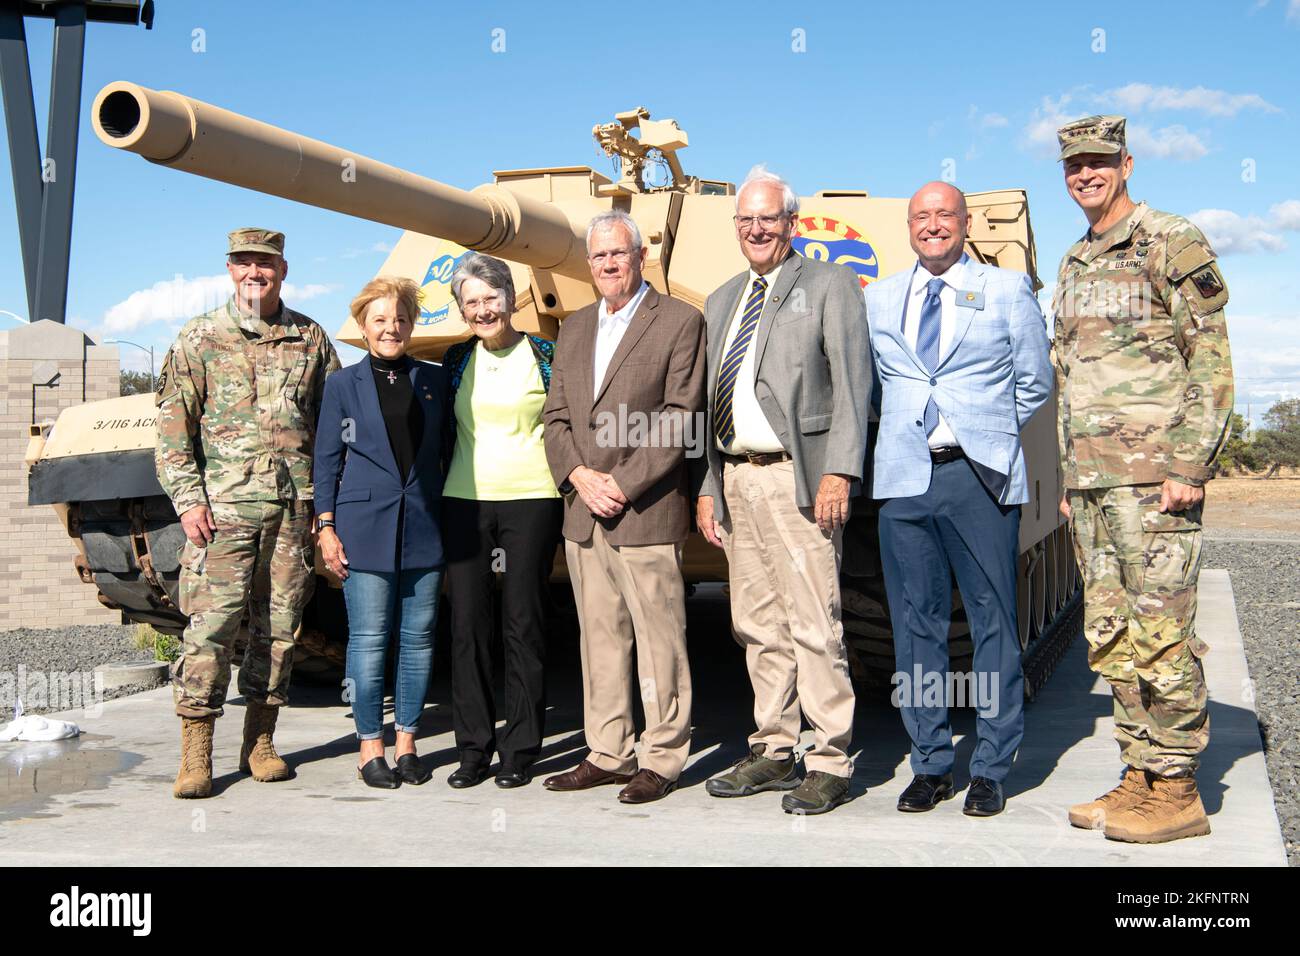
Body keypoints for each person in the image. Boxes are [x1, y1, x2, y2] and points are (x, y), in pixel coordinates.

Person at [1053, 116, 1234, 843]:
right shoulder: (1073, 260)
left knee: (1162, 631)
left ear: (1126, 164)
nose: (1086, 175)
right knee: (1111, 634)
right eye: (1074, 166)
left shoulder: (1169, 239)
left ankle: (1180, 787)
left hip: (1155, 480)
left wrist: (1191, 463)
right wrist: (1071, 477)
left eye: (1099, 162)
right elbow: (1071, 376)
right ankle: (1141, 771)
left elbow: (1212, 359)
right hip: (1095, 485)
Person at [867, 182, 1052, 818]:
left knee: (990, 621)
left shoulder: (1005, 290)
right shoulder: (882, 298)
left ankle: (992, 767)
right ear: (909, 226)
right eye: (922, 216)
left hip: (978, 478)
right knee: (915, 625)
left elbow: (1034, 381)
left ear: (965, 222)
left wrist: (986, 435)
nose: (933, 225)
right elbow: (873, 388)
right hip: (903, 482)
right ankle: (930, 763)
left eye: (945, 214)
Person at [695, 166, 869, 815]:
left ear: (790, 223)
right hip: (738, 477)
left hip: (800, 476)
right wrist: (710, 484)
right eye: (747, 220)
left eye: (769, 218)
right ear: (736, 227)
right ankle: (772, 748)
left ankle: (829, 758)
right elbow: (707, 403)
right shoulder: (720, 301)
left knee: (815, 623)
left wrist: (839, 469)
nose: (758, 229)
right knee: (757, 624)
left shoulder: (828, 284)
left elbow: (855, 386)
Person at [157, 227, 340, 799]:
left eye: (266, 263)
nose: (255, 272)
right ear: (230, 269)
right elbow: (171, 429)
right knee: (211, 628)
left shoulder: (310, 338)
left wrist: (325, 511)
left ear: (283, 269)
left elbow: (332, 426)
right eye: (244, 263)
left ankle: (260, 742)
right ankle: (196, 751)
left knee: (280, 631)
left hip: (292, 511)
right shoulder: (199, 337)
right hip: (222, 511)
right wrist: (188, 500)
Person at [541, 209, 706, 805]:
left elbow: (682, 415)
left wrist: (623, 483)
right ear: (589, 265)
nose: (609, 264)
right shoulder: (576, 327)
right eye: (599, 256)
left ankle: (662, 757)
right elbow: (555, 417)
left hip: (645, 509)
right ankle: (609, 752)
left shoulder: (680, 321)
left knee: (661, 639)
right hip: (585, 513)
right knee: (600, 639)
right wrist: (579, 475)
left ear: (641, 258)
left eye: (620, 254)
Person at [313, 277, 449, 789]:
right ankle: (370, 746)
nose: (391, 328)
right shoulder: (342, 386)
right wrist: (326, 526)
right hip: (363, 527)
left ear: (411, 324)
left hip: (424, 525)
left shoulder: (435, 380)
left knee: (417, 641)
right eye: (380, 320)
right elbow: (327, 460)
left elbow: (448, 450)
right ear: (364, 326)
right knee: (369, 642)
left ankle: (408, 742)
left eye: (399, 318)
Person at [440, 252, 562, 790]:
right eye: (472, 302)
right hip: (464, 502)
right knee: (467, 627)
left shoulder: (544, 355)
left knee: (523, 624)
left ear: (511, 299)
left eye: (492, 298)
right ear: (462, 310)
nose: (484, 309)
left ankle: (519, 747)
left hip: (532, 499)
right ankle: (473, 748)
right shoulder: (455, 361)